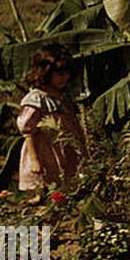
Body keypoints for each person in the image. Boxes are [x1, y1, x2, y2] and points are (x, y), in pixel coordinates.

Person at [16, 44, 85, 194]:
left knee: (68, 187)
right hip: (46, 153)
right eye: (59, 73)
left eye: (66, 73)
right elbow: (28, 132)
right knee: (47, 189)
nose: (64, 77)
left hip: (65, 150)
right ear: (45, 73)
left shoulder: (63, 98)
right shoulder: (36, 99)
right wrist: (35, 161)